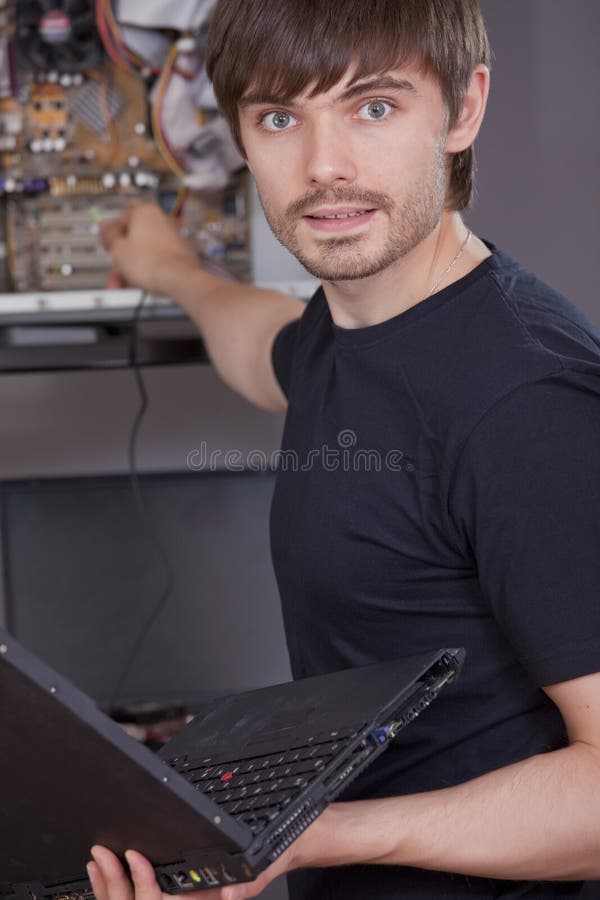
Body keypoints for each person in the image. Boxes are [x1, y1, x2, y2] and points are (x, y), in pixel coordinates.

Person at [93, 1, 600, 897]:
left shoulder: (528, 403)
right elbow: (266, 347)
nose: (325, 166)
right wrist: (172, 272)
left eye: (373, 107)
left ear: (464, 108)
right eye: (280, 118)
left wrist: (303, 835)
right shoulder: (348, 330)